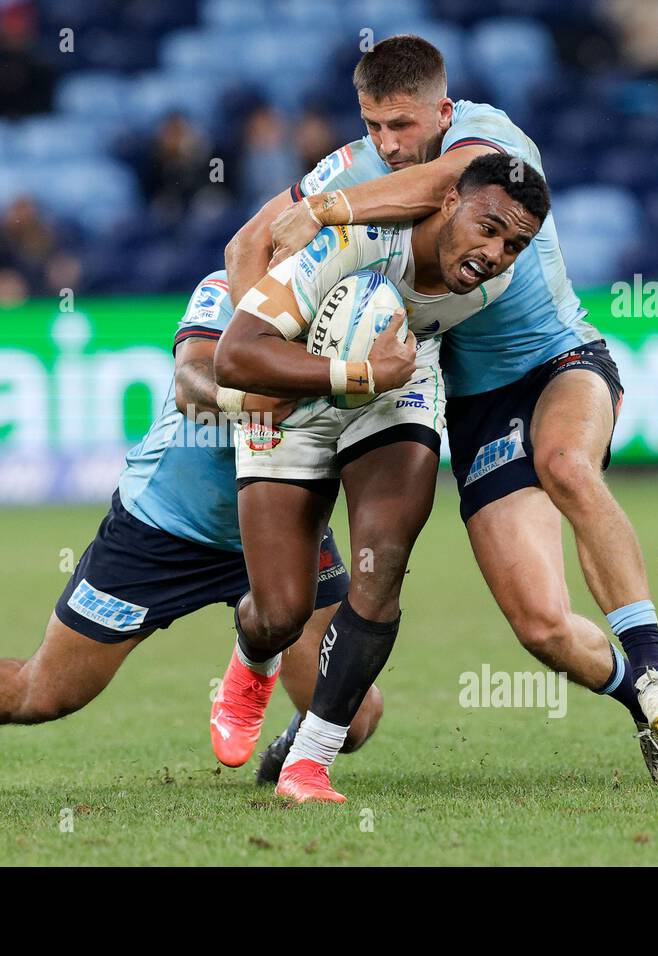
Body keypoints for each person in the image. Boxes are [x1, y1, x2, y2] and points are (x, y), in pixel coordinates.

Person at [229, 35, 658, 796]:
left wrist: (324, 210)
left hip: (560, 360)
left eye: (404, 126)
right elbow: (248, 241)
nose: (390, 144)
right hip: (476, 403)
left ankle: (654, 671)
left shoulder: (490, 138)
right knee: (542, 628)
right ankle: (637, 704)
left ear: (442, 112)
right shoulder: (354, 166)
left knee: (565, 462)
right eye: (375, 126)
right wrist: (260, 323)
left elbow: (452, 177)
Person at [0, 272, 383, 799]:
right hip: (166, 527)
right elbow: (190, 386)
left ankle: (294, 745)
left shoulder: (371, 301)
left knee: (356, 717)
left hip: (286, 526)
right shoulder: (233, 288)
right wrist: (252, 407)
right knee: (48, 693)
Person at [211, 153, 545, 803]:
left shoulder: (495, 285)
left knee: (383, 557)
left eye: (515, 244)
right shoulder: (345, 242)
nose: (497, 252)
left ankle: (309, 763)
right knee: (281, 613)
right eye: (489, 227)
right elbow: (235, 355)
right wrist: (354, 377)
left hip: (400, 376)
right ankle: (254, 657)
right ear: (447, 203)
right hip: (298, 383)